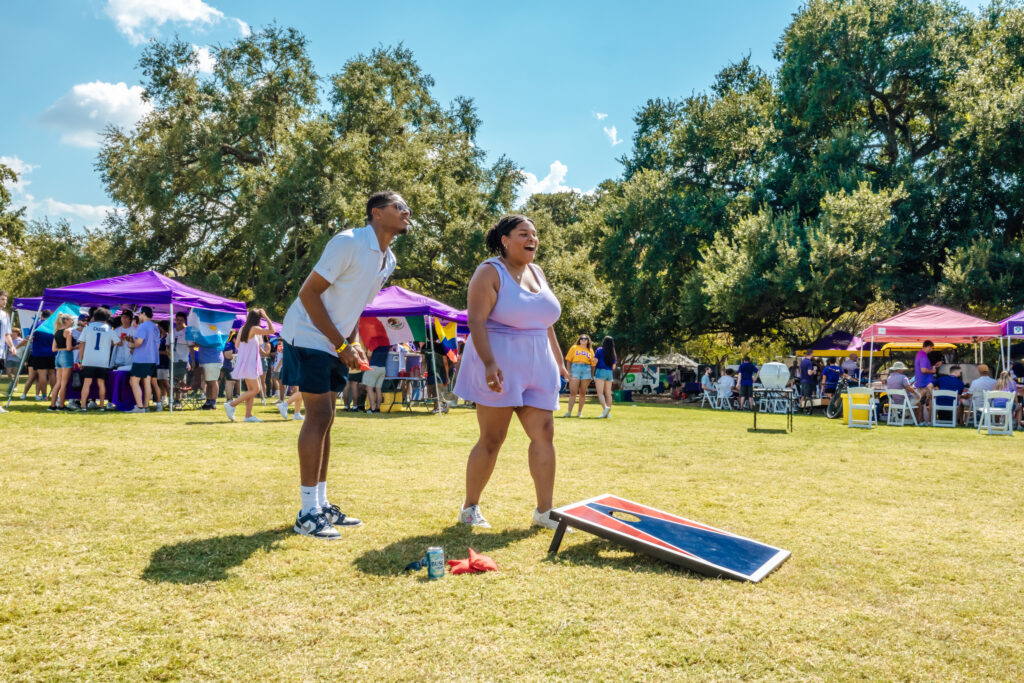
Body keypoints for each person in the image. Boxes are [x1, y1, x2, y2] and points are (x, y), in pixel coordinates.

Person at [279, 190, 406, 539]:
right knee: (319, 416)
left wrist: (351, 343)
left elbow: (354, 306)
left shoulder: (388, 259)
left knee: (327, 418)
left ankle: (319, 505)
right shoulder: (349, 241)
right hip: (307, 334)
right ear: (377, 213)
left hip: (333, 340)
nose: (407, 213)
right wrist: (340, 343)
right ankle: (306, 513)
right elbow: (308, 293)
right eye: (400, 207)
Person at [453, 214, 570, 530]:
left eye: (534, 234)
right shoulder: (489, 272)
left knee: (544, 432)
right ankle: (470, 508)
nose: (532, 239)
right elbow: (476, 320)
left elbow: (546, 323)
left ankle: (545, 512)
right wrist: (490, 363)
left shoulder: (538, 272)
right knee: (492, 438)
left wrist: (559, 362)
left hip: (539, 364)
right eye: (523, 234)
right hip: (500, 362)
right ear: (505, 239)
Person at [224, 309, 277, 423]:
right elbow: (272, 330)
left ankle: (248, 415)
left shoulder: (243, 328)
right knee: (256, 389)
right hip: (251, 363)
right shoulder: (254, 328)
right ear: (258, 319)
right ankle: (232, 404)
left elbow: (237, 344)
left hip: (246, 362)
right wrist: (266, 316)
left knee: (251, 390)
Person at [77, 308, 115, 411]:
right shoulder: (109, 328)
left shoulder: (88, 327)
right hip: (103, 361)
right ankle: (102, 406)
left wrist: (80, 361)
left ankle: (83, 406)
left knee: (87, 383)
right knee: (101, 383)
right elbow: (117, 342)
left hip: (88, 360)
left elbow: (81, 344)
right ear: (107, 317)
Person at [128, 306, 161, 412]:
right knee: (147, 382)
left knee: (134, 381)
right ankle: (145, 407)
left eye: (139, 314)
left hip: (142, 358)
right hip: (153, 358)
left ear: (143, 314)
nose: (138, 316)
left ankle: (140, 406)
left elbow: (139, 342)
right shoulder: (155, 327)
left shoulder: (143, 326)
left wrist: (131, 345)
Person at [47, 313, 76, 411]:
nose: (73, 321)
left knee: (58, 383)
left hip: (58, 356)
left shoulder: (57, 332)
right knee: (64, 384)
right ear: (66, 321)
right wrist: (77, 346)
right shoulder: (68, 331)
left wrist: (62, 348)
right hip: (66, 357)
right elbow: (69, 348)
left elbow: (53, 349)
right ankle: (61, 406)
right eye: (71, 320)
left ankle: (52, 405)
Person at [562, 334, 596, 417]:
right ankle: (569, 412)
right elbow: (568, 360)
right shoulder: (574, 348)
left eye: (585, 339)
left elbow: (593, 365)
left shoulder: (590, 350)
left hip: (586, 370)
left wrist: (592, 375)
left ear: (588, 341)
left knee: (582, 393)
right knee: (573, 392)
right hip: (575, 369)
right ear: (579, 340)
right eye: (582, 338)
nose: (583, 340)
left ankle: (579, 412)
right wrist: (568, 372)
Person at [28, 310, 56, 401]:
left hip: (39, 353)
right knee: (52, 373)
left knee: (42, 374)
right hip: (52, 353)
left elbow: (30, 338)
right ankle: (55, 394)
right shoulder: (54, 325)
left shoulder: (37, 324)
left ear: (41, 315)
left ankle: (44, 396)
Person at [913, 340, 940, 414]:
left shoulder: (919, 354)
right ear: (928, 347)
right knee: (932, 399)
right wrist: (933, 371)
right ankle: (930, 420)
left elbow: (923, 367)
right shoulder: (923, 356)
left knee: (921, 402)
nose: (932, 350)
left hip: (920, 382)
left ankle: (920, 420)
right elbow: (924, 370)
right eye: (932, 348)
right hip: (926, 383)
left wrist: (934, 366)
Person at [593, 336, 617, 419]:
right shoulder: (613, 353)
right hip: (609, 373)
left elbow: (595, 362)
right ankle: (608, 413)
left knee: (600, 393)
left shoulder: (599, 350)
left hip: (600, 372)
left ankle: (605, 410)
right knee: (608, 394)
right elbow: (614, 367)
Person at [362, 344, 388, 413]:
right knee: (378, 388)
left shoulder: (374, 342)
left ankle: (372, 408)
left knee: (369, 388)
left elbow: (369, 354)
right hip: (383, 368)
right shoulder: (387, 343)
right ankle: (377, 408)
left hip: (373, 366)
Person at [171, 311, 190, 408]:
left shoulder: (187, 332)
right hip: (172, 360)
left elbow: (191, 347)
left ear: (184, 321)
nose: (178, 322)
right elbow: (167, 346)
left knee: (179, 381)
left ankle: (178, 400)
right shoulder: (172, 331)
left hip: (182, 360)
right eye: (177, 320)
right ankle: (174, 399)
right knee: (173, 381)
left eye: (181, 320)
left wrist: (192, 362)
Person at [219, 333, 236, 408]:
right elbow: (227, 355)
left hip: (233, 367)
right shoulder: (229, 345)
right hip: (228, 366)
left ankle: (230, 398)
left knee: (232, 382)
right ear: (234, 339)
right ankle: (229, 398)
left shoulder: (234, 345)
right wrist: (239, 355)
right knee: (229, 382)